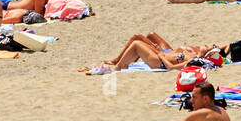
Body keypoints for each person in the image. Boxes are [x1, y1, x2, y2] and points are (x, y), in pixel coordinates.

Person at [88, 36, 226, 73]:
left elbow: (172, 68)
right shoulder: (194, 57)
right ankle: (120, 63)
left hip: (159, 62)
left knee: (136, 44)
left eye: (206, 46)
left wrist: (160, 56)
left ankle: (117, 67)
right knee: (138, 40)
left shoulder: (194, 59)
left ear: (206, 53)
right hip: (161, 57)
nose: (204, 44)